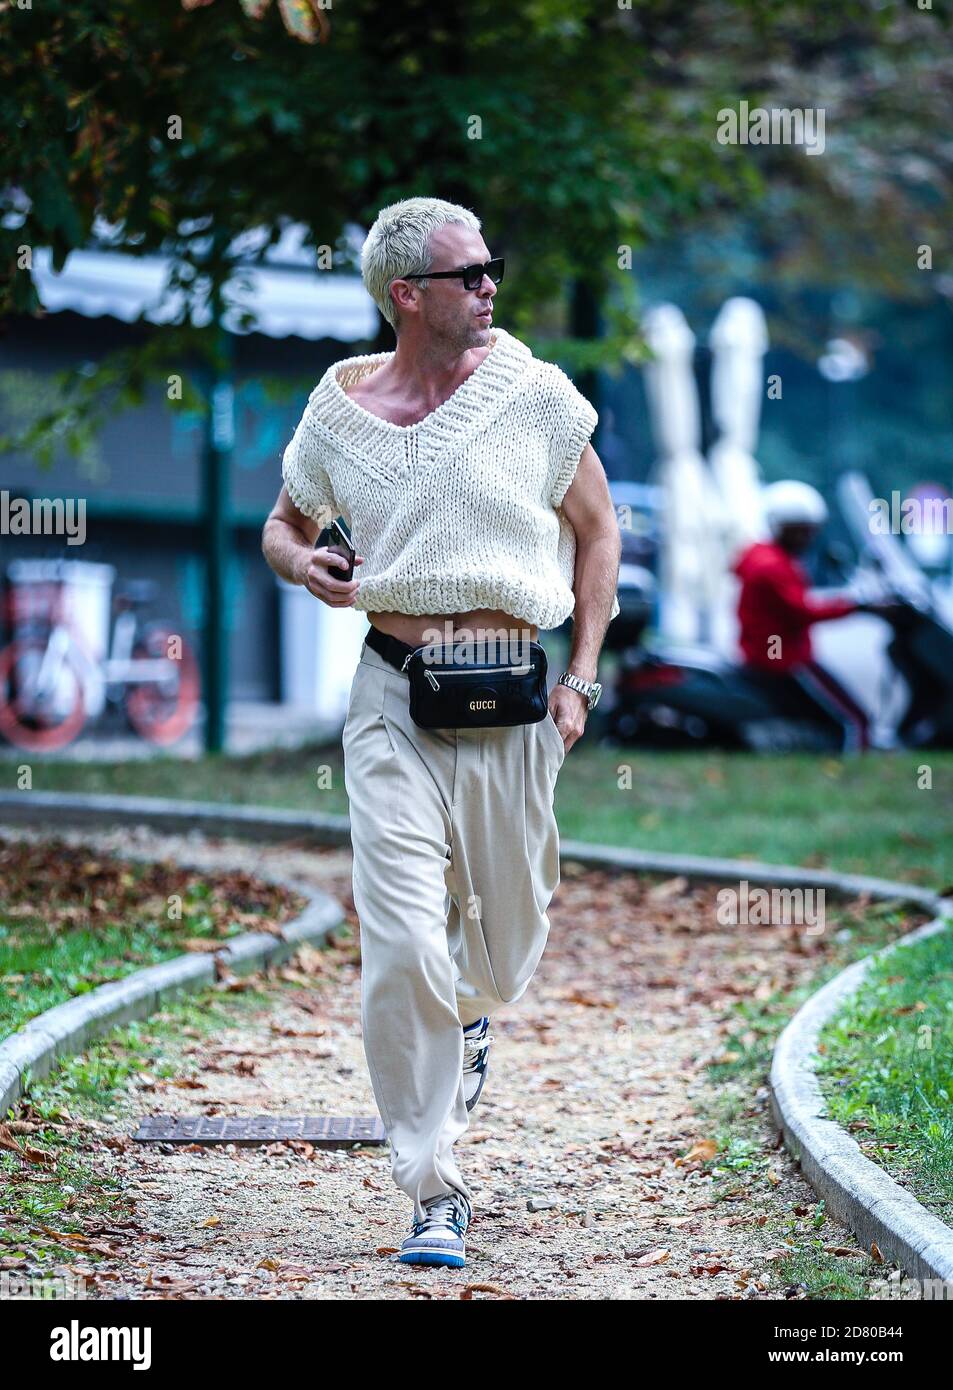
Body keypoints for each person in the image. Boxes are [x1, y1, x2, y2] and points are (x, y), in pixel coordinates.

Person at [261, 197, 620, 1268]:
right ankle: (432, 1188)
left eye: (490, 269)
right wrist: (301, 563)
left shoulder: (533, 395)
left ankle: (466, 1020)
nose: (489, 286)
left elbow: (597, 535)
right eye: (469, 273)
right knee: (403, 937)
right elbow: (283, 523)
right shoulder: (339, 410)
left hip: (513, 700)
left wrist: (584, 683)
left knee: (501, 955)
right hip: (391, 697)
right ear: (404, 295)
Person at [733, 480, 874, 751]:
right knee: (851, 718)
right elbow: (801, 610)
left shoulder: (760, 555)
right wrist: (857, 607)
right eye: (801, 532)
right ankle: (855, 760)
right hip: (783, 660)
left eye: (810, 532)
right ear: (780, 527)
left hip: (768, 654)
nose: (807, 540)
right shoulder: (772, 565)